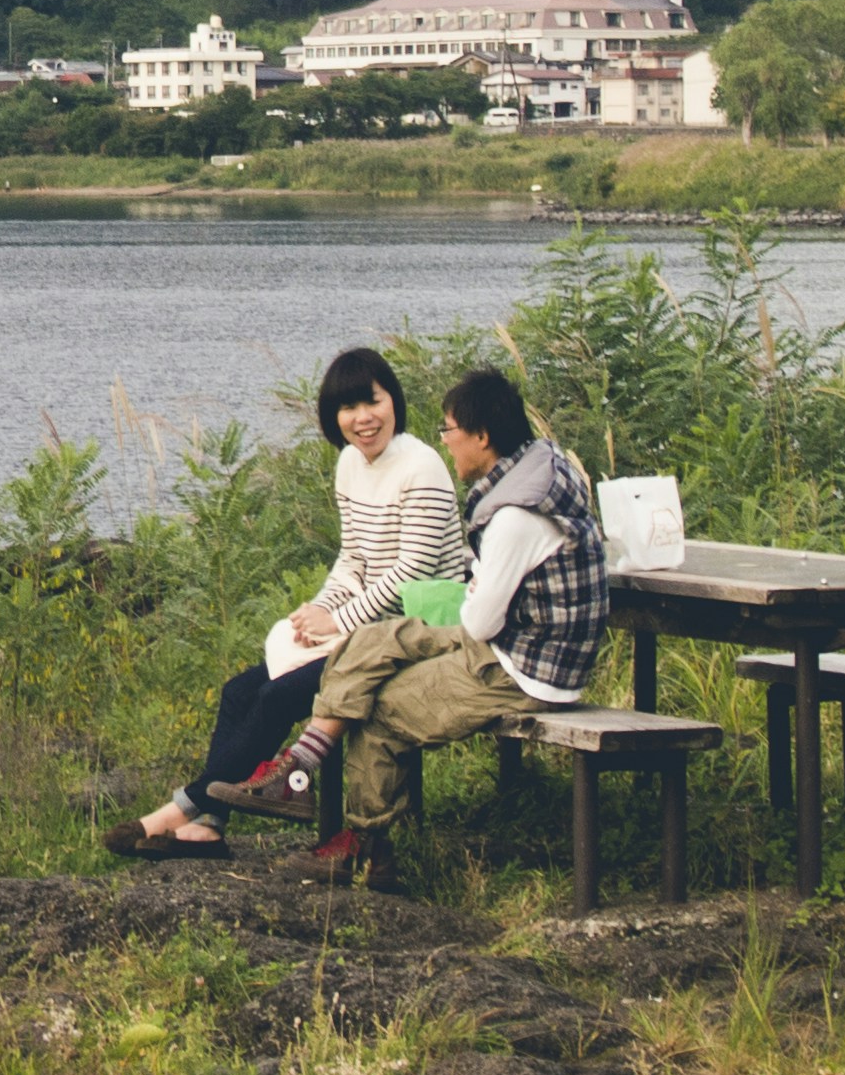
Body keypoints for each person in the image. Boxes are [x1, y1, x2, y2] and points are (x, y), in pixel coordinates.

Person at [208, 367, 606, 890]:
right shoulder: (541, 467)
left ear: (481, 437)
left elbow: (482, 619)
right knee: (371, 639)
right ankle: (299, 770)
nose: (446, 443)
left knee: (383, 705)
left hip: (525, 668)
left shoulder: (514, 513)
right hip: (524, 642)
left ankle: (364, 847)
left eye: (449, 431)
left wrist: (479, 582)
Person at [103, 345, 469, 859]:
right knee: (240, 691)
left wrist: (337, 619)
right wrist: (317, 611)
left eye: (373, 402)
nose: (363, 419)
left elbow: (411, 573)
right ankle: (208, 826)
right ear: (332, 417)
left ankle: (180, 809)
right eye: (348, 408)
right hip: (365, 629)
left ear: (395, 402)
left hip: (419, 632)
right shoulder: (350, 464)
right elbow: (354, 558)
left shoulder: (421, 467)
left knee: (277, 698)